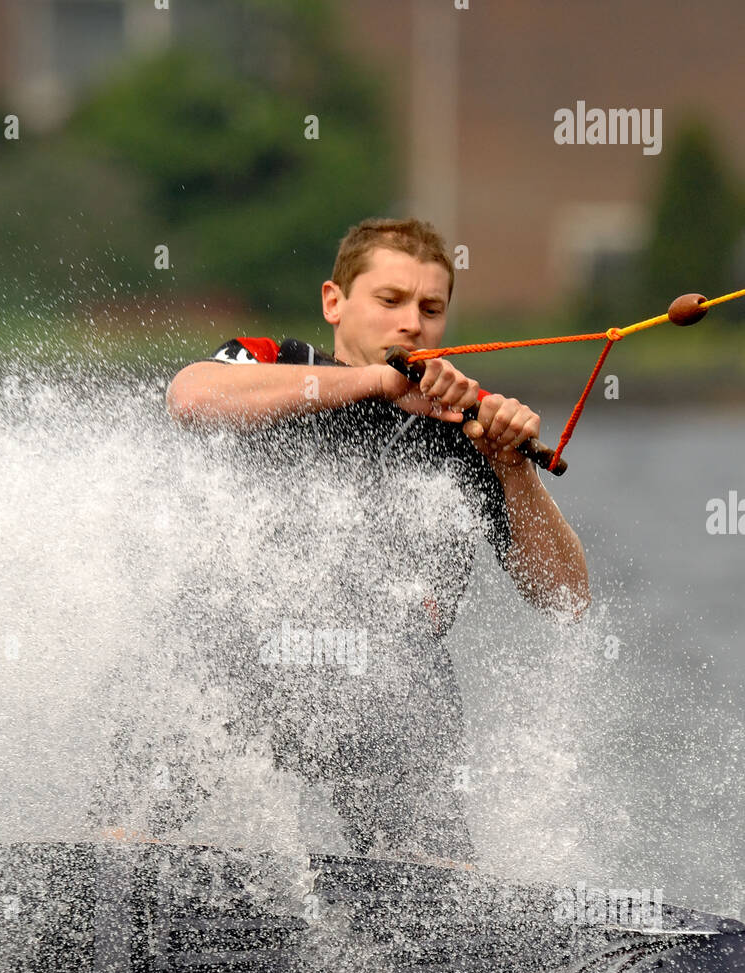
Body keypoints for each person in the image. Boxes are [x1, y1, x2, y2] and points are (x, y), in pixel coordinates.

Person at [158, 218, 591, 866]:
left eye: (430, 308)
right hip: (233, 656)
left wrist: (512, 468)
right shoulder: (276, 362)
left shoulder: (464, 435)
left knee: (408, 676)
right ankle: (126, 855)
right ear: (335, 301)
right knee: (183, 650)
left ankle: (431, 893)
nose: (411, 322)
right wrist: (378, 384)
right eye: (390, 301)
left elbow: (566, 598)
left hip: (382, 689)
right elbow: (189, 397)